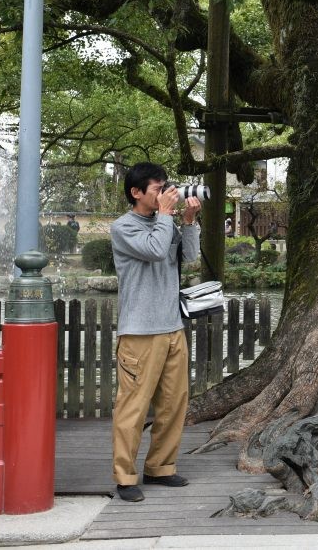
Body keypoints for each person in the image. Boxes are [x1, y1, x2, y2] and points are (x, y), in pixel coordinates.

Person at [110, 162, 201, 503]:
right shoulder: (123, 227)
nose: (165, 194)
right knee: (133, 408)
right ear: (136, 192)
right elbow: (154, 250)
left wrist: (188, 222)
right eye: (157, 189)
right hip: (139, 332)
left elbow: (189, 256)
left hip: (172, 327)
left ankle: (160, 467)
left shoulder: (165, 224)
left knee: (173, 405)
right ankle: (125, 476)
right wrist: (166, 216)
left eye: (166, 188)